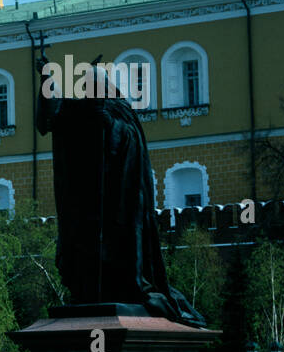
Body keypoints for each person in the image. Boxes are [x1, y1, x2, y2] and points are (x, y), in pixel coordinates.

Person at [36, 54, 205, 325]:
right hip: (85, 204)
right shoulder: (78, 110)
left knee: (118, 253)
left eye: (92, 83)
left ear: (105, 86)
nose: (88, 87)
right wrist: (46, 78)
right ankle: (89, 293)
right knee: (83, 258)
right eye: (85, 83)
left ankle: (124, 290)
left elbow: (131, 143)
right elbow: (48, 120)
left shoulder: (119, 110)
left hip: (119, 203)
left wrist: (108, 124)